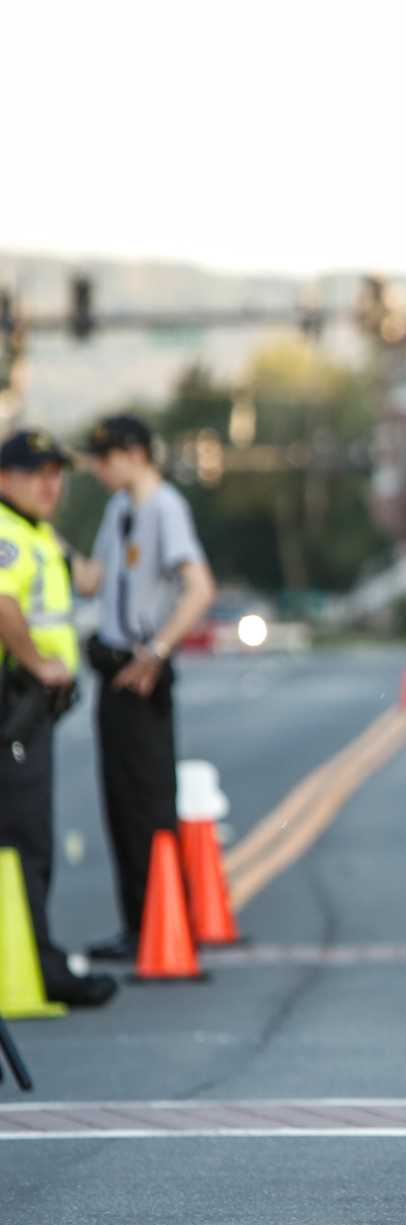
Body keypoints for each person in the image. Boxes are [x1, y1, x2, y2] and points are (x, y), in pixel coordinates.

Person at [78, 416, 215, 962]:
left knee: (147, 801)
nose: (96, 469)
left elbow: (199, 588)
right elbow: (92, 579)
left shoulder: (163, 507)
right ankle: (138, 921)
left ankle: (163, 917)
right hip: (113, 666)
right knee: (120, 800)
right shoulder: (120, 510)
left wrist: (158, 649)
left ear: (134, 453)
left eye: (103, 457)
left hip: (141, 668)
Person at [0, 431, 118, 1007]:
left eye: (57, 472)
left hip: (27, 708)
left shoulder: (33, 532)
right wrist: (38, 663)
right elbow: (1, 603)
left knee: (26, 836)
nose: (51, 483)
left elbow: (84, 578)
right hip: (12, 702)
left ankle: (31, 958)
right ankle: (34, 967)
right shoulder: (8, 535)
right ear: (4, 478)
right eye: (36, 472)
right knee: (25, 839)